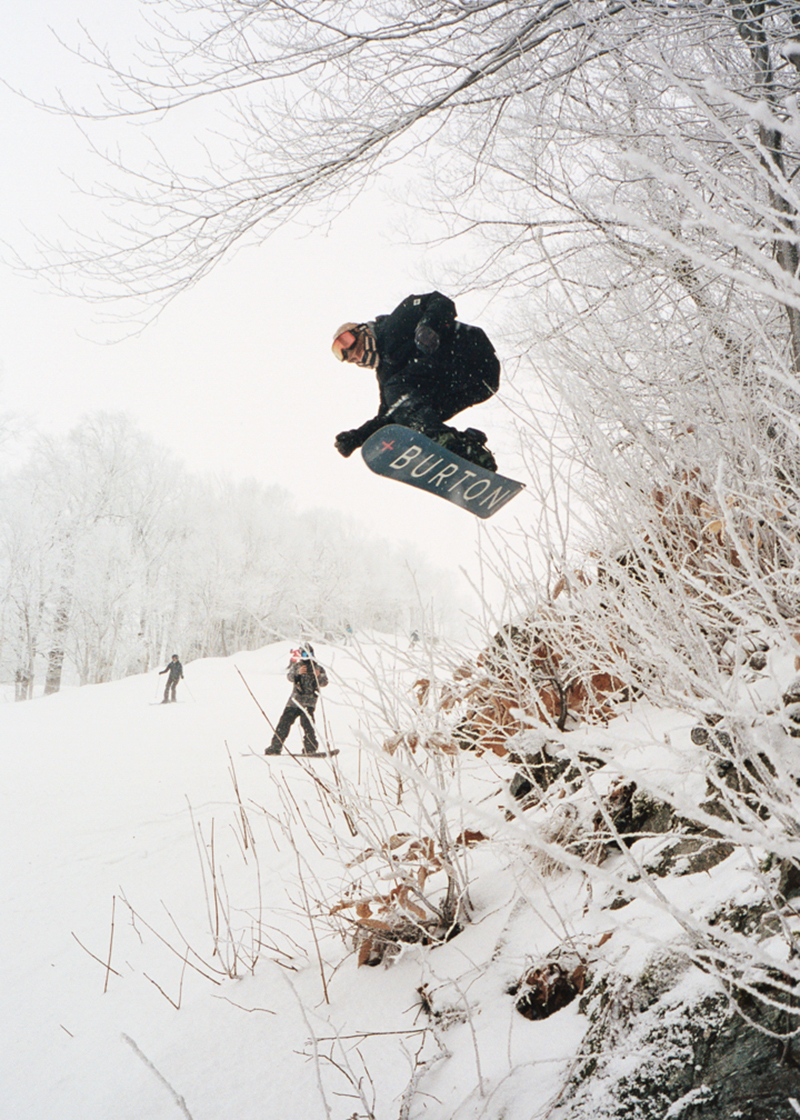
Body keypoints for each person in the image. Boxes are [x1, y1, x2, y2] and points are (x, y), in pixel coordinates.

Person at [331, 291, 500, 470]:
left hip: (469, 353)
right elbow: (390, 415)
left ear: (363, 331)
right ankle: (466, 450)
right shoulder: (387, 375)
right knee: (406, 412)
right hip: (480, 384)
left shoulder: (395, 324)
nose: (359, 356)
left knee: (399, 395)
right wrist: (358, 436)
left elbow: (438, 300)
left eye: (357, 347)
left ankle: (438, 438)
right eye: (354, 359)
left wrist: (428, 327)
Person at [266, 644, 329, 755]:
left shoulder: (318, 668)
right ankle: (275, 747)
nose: (307, 656)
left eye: (309, 654)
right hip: (294, 701)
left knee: (308, 725)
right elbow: (289, 677)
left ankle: (310, 748)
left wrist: (318, 675)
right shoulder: (297, 666)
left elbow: (325, 682)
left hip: (309, 702)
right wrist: (297, 672)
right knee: (284, 724)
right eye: (304, 654)